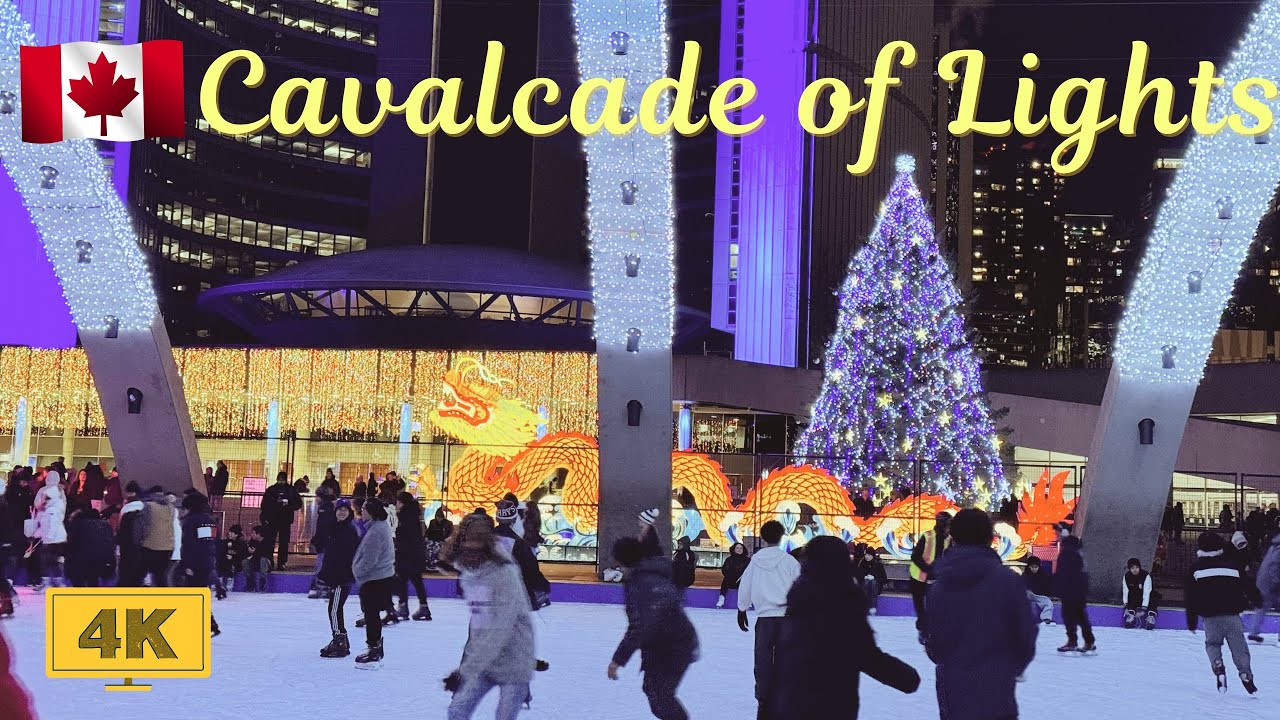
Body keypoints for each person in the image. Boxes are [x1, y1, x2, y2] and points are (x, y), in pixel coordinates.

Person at [773, 536, 920, 719]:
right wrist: (907, 678)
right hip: (832, 704)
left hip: (793, 704)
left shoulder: (799, 596)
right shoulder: (843, 601)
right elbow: (865, 654)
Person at [926, 509, 1036, 720]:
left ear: (953, 537)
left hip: (953, 686)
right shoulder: (1008, 581)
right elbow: (1025, 633)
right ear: (990, 538)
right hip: (998, 685)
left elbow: (935, 642)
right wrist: (1013, 666)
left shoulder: (940, 586)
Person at [441, 513, 537, 720]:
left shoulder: (504, 574)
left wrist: (465, 670)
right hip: (485, 661)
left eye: (475, 547)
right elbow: (479, 624)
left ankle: (523, 691)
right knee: (457, 712)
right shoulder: (469, 576)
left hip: (515, 659)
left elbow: (500, 627)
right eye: (466, 547)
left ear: (485, 546)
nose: (470, 553)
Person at [608, 536, 699, 720]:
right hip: (674, 642)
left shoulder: (640, 584)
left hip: (673, 646)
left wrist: (618, 659)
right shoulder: (652, 572)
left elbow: (639, 627)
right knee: (654, 691)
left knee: (660, 695)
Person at [736, 519, 800, 720]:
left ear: (763, 538)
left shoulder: (754, 562)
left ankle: (764, 703)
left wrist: (742, 608)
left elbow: (745, 586)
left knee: (763, 662)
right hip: (787, 619)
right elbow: (801, 587)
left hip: (764, 620)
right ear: (782, 537)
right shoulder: (790, 562)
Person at [1187, 531, 1256, 694]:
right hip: (1232, 615)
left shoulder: (1196, 569)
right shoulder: (1231, 564)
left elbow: (1190, 597)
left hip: (1210, 617)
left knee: (1213, 644)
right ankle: (1245, 673)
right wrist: (1256, 599)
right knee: (1239, 647)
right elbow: (1246, 584)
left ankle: (1218, 665)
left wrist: (1191, 621)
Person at [352, 498, 396, 666]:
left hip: (374, 578)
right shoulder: (378, 527)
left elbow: (370, 559)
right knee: (371, 614)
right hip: (378, 577)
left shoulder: (376, 531)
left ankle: (374, 648)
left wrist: (358, 572)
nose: (361, 511)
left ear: (371, 511)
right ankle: (374, 647)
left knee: (371, 615)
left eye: (364, 509)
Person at [319, 500, 359, 658]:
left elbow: (345, 556)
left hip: (342, 577)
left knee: (334, 609)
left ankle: (339, 640)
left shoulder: (349, 530)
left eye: (345, 510)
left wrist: (339, 575)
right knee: (336, 608)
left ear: (349, 512)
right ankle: (341, 639)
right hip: (336, 576)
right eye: (339, 510)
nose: (342, 512)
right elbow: (330, 554)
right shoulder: (334, 528)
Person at [495, 501, 551, 610]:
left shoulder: (485, 539)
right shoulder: (519, 543)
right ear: (514, 519)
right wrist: (542, 587)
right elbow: (531, 570)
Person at [180, 493, 221, 637]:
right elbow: (209, 543)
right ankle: (211, 624)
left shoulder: (191, 521)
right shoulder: (210, 520)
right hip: (208, 562)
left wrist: (187, 565)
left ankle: (201, 625)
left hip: (195, 563)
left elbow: (189, 544)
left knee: (193, 595)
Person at [909, 512, 952, 644]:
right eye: (947, 525)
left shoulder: (948, 540)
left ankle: (929, 631)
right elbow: (915, 556)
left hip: (934, 579)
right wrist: (928, 569)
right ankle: (923, 631)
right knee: (921, 608)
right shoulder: (927, 536)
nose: (949, 528)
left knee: (933, 607)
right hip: (918, 577)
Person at [1053, 532, 1096, 654]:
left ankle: (1072, 641)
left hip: (1070, 590)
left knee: (1068, 616)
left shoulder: (1067, 553)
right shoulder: (1079, 553)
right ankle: (1089, 641)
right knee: (1081, 616)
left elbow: (1064, 573)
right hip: (1080, 590)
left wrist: (1059, 588)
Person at [393, 492, 432, 621]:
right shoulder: (415, 515)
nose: (396, 505)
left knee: (402, 580)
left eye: (398, 502)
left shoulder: (404, 517)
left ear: (403, 503)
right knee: (417, 580)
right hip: (416, 554)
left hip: (406, 554)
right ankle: (423, 606)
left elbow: (404, 536)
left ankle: (403, 606)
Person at [31, 470, 68, 589]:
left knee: (45, 557)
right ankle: (57, 580)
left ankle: (46, 580)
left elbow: (37, 505)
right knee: (56, 557)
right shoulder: (60, 493)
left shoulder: (43, 492)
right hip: (58, 533)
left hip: (47, 532)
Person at [133, 486, 176, 587]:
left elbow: (142, 526)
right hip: (168, 547)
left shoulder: (148, 506)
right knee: (160, 575)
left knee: (139, 575)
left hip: (150, 546)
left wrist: (137, 542)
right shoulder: (171, 507)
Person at [260, 472, 302, 570]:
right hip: (282, 519)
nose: (281, 482)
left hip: (275, 519)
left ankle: (272, 562)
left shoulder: (271, 490)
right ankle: (279, 563)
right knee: (281, 542)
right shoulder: (291, 490)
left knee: (272, 542)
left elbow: (264, 505)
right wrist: (289, 506)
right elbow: (298, 504)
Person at [65, 507, 115, 587]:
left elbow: (71, 544)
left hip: (82, 562)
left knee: (78, 575)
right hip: (104, 561)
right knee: (93, 578)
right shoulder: (106, 525)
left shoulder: (78, 524)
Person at [1248, 530, 1279, 644]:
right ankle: (1253, 632)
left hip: (1265, 579)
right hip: (1271, 581)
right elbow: (1275, 565)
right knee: (1263, 605)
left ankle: (1253, 632)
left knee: (1262, 606)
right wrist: (1276, 582)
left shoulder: (1274, 545)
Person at [308, 484, 338, 599]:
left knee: (321, 565)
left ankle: (318, 587)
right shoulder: (328, 507)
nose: (315, 499)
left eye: (317, 496)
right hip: (326, 541)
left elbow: (323, 527)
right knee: (324, 564)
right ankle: (323, 587)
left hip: (325, 542)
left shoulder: (325, 508)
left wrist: (316, 539)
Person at [115, 482, 145, 586]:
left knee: (126, 569)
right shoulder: (143, 506)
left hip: (127, 544)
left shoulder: (126, 508)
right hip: (140, 543)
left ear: (128, 493)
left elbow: (119, 526)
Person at [1122, 558, 1160, 630]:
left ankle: (1150, 617)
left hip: (1147, 598)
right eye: (1133, 568)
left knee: (1155, 596)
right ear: (1129, 569)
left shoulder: (1145, 575)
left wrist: (1144, 608)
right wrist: (1126, 604)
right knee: (1131, 593)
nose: (1135, 570)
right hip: (1135, 597)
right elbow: (1125, 590)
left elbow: (1147, 592)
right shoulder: (1126, 576)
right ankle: (1131, 616)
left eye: (1137, 567)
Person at [218, 524, 248, 598]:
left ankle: (229, 581)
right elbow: (221, 552)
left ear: (236, 534)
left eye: (232, 532)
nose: (230, 534)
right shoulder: (226, 542)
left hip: (236, 563)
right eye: (230, 532)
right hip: (225, 562)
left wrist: (232, 557)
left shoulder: (241, 544)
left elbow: (242, 556)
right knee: (221, 561)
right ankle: (218, 580)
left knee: (230, 564)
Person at [1023, 556, 1055, 625]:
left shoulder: (1044, 575)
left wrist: (1049, 594)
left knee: (1048, 602)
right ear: (1029, 566)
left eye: (1036, 567)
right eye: (1032, 567)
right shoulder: (1025, 575)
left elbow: (1048, 587)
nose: (1034, 569)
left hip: (1039, 597)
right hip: (1026, 596)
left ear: (1039, 566)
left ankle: (1046, 619)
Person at [855, 546, 888, 614]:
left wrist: (874, 577)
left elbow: (883, 577)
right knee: (866, 582)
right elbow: (858, 574)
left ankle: (873, 606)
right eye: (866, 555)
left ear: (872, 556)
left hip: (876, 587)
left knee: (873, 583)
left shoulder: (878, 564)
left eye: (869, 555)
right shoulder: (862, 563)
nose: (867, 556)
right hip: (864, 586)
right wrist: (864, 577)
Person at [717, 542, 749, 609]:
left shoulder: (747, 560)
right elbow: (724, 570)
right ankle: (721, 599)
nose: (739, 549)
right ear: (734, 549)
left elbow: (750, 571)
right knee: (726, 579)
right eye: (737, 548)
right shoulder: (729, 559)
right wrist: (732, 574)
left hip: (742, 580)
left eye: (741, 548)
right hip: (731, 580)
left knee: (745, 583)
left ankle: (746, 601)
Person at [244, 525, 272, 592]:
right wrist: (249, 550)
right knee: (245, 562)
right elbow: (247, 553)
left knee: (263, 559)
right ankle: (250, 583)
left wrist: (255, 552)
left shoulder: (267, 542)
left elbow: (265, 555)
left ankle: (262, 582)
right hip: (255, 562)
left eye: (253, 533)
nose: (252, 535)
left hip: (265, 564)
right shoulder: (252, 541)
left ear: (258, 534)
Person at [426, 507, 454, 572]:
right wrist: (426, 537)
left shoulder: (448, 523)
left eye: (440, 517)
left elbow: (451, 533)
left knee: (436, 546)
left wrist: (448, 538)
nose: (438, 519)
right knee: (429, 546)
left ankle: (435, 563)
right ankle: (430, 563)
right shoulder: (432, 522)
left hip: (442, 540)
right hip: (433, 539)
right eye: (437, 517)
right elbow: (428, 532)